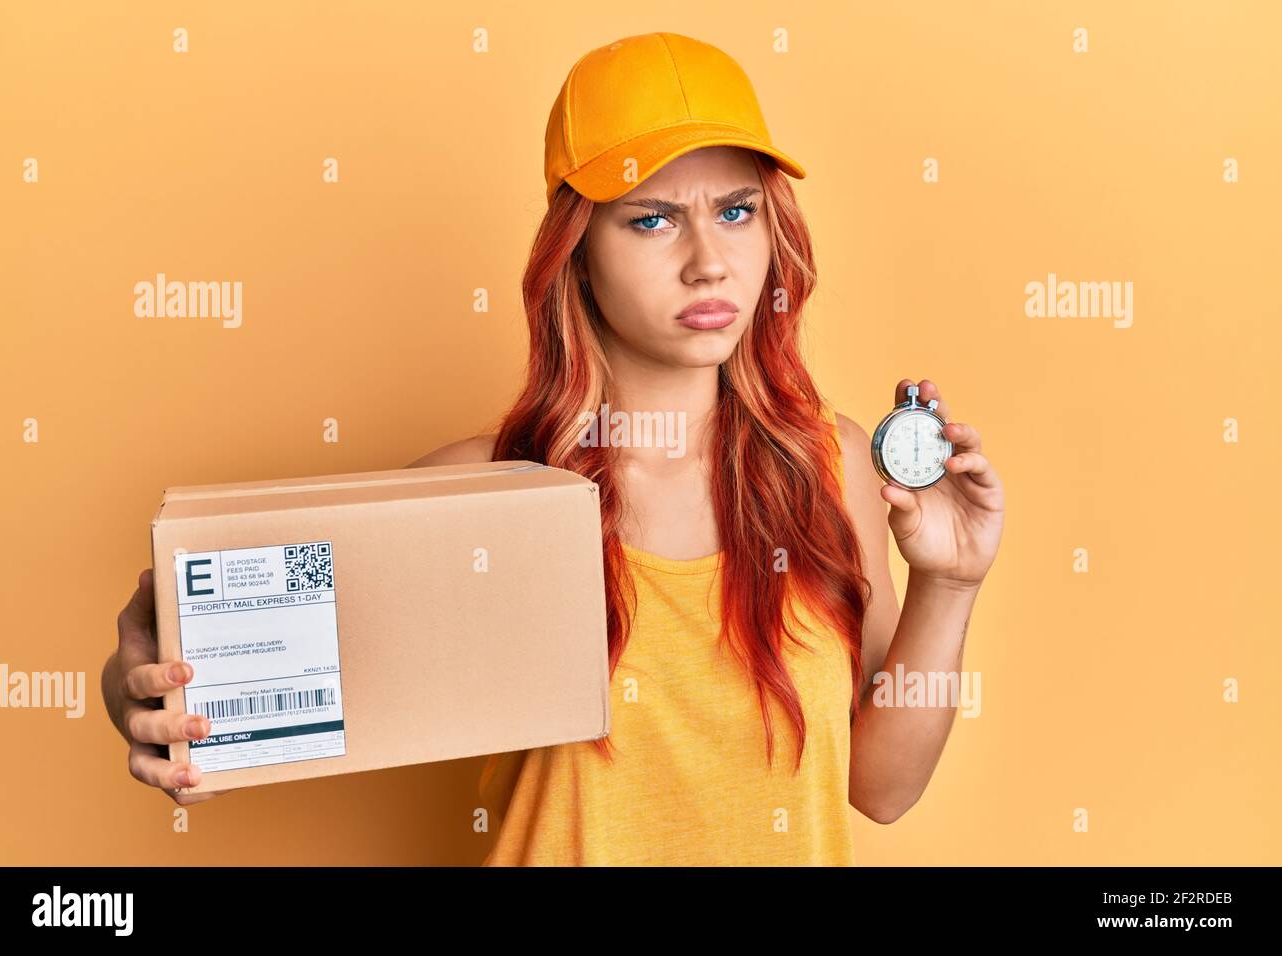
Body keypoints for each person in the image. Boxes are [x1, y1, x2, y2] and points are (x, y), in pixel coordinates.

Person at [102, 32, 1005, 862]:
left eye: (736, 212)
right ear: (576, 252)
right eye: (651, 219)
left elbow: (883, 790)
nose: (707, 261)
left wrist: (950, 582)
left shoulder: (832, 464)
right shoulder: (478, 496)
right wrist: (144, 687)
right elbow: (222, 680)